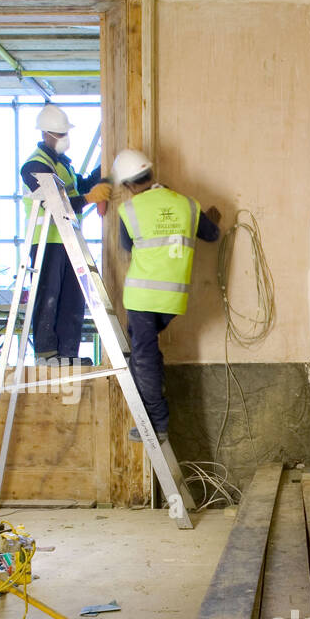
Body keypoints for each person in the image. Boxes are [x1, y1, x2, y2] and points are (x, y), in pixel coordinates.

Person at [111, 148, 220, 444]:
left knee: (144, 357)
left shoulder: (129, 210)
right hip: (172, 301)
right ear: (151, 173)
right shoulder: (188, 204)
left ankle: (157, 423)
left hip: (141, 298)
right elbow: (212, 235)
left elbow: (125, 245)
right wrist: (207, 218)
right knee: (146, 354)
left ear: (128, 185)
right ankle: (153, 417)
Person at [20, 105, 111, 366]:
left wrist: (103, 168)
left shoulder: (62, 165)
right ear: (46, 133)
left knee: (73, 297)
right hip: (47, 240)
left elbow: (79, 185)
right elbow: (56, 200)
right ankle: (47, 353)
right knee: (49, 296)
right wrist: (88, 198)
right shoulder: (35, 165)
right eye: (60, 134)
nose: (64, 138)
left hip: (68, 240)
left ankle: (67, 352)